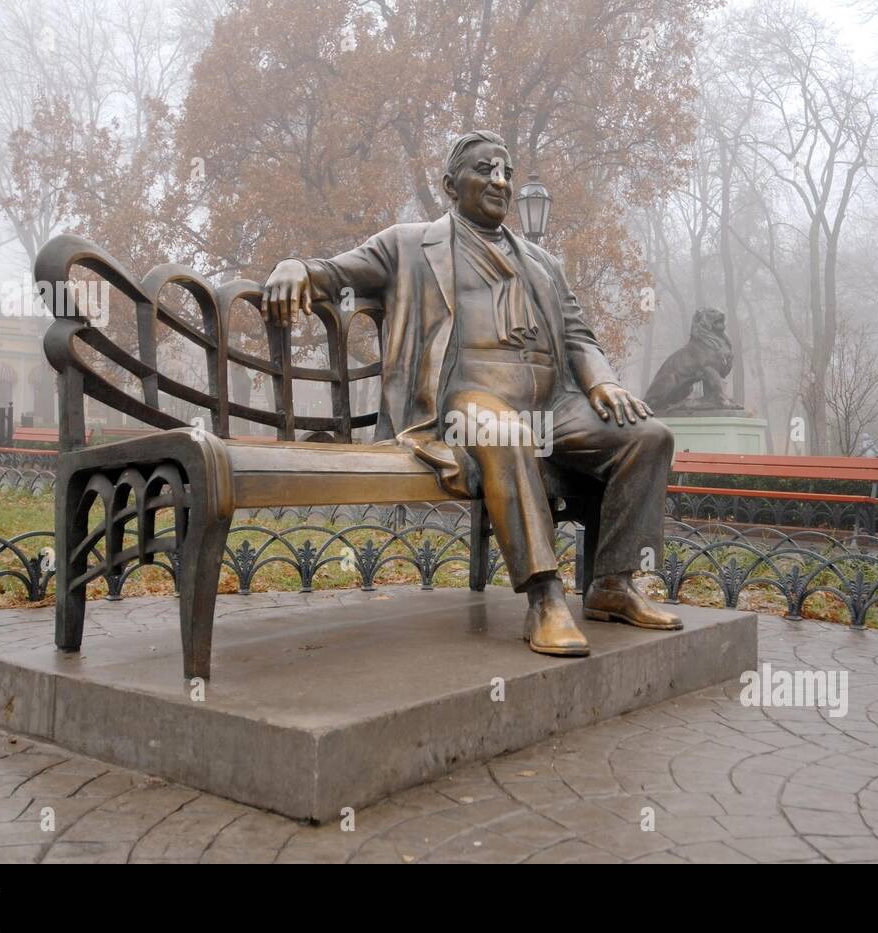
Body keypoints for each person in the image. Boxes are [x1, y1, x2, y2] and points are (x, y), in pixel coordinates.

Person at [263, 130, 681, 658]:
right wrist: (294, 266)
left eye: (506, 172)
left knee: (648, 436)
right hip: (468, 399)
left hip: (554, 404)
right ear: (449, 184)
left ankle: (613, 585)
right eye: (485, 169)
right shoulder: (409, 244)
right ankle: (545, 598)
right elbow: (336, 272)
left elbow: (578, 336)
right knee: (506, 432)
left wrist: (602, 381)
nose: (500, 181)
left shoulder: (543, 264)